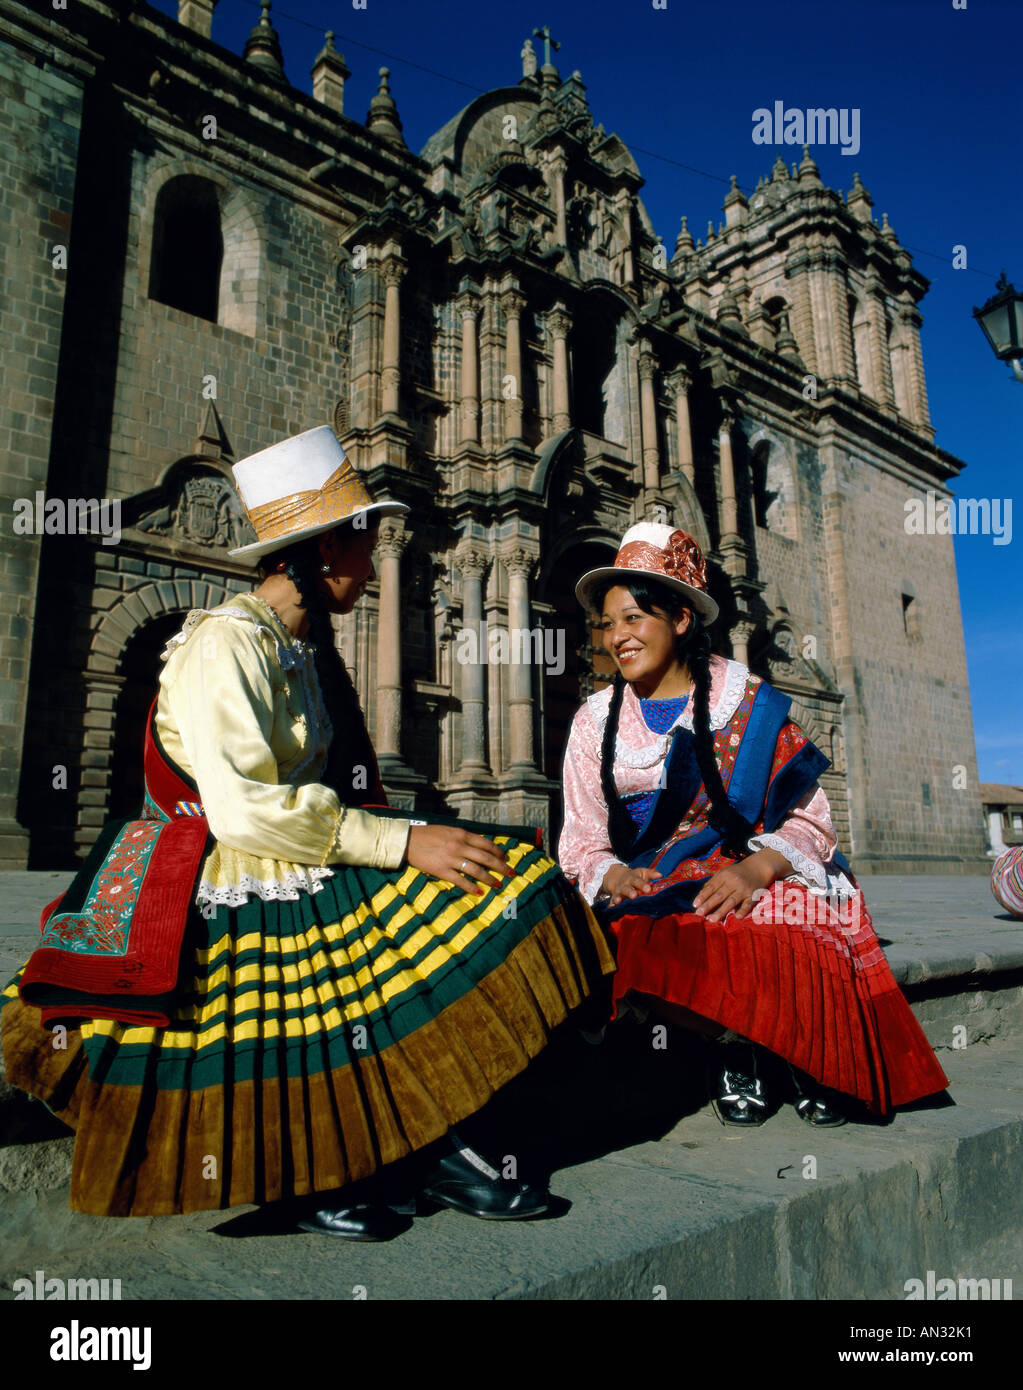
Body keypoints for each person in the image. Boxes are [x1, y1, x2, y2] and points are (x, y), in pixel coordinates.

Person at [1, 426, 614, 1239]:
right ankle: (378, 1160)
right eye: (366, 545)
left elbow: (316, 789)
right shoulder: (223, 645)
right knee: (410, 920)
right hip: (234, 868)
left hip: (299, 846)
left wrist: (404, 835)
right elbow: (244, 809)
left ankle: (442, 1137)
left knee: (504, 877)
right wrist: (400, 843)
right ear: (324, 550)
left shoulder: (293, 647)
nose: (373, 565)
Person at [558, 522, 949, 1125]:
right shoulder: (594, 722)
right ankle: (736, 1045)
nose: (618, 637)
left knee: (793, 920)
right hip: (652, 879)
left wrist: (759, 868)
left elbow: (810, 821)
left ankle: (806, 1051)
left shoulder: (749, 702)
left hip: (747, 866)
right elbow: (582, 838)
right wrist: (609, 875)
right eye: (608, 624)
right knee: (641, 942)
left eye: (634, 618)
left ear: (681, 619)